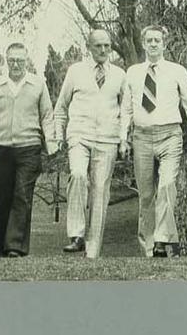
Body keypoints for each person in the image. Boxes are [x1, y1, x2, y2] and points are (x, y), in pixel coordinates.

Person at [124, 25, 187, 257]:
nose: (153, 44)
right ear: (143, 43)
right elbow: (126, 109)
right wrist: (123, 138)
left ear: (164, 44)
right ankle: (149, 247)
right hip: (141, 136)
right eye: (149, 40)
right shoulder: (132, 72)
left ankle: (162, 240)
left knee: (166, 186)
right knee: (146, 195)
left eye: (157, 40)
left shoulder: (177, 71)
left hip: (170, 135)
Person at [52, 29, 130, 258]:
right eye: (98, 46)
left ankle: (92, 250)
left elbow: (126, 110)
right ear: (89, 46)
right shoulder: (76, 71)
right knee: (77, 175)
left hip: (108, 138)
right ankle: (76, 235)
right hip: (80, 135)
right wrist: (59, 137)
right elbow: (60, 108)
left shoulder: (119, 74)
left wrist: (123, 138)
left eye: (107, 45)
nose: (104, 50)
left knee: (100, 191)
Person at [0, 43, 56, 257]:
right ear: (6, 59)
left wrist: (51, 143)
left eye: (19, 60)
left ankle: (14, 246)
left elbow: (47, 116)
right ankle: (0, 249)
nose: (15, 64)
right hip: (1, 148)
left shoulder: (38, 84)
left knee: (22, 195)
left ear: (26, 60)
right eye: (11, 60)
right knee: (2, 198)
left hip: (29, 147)